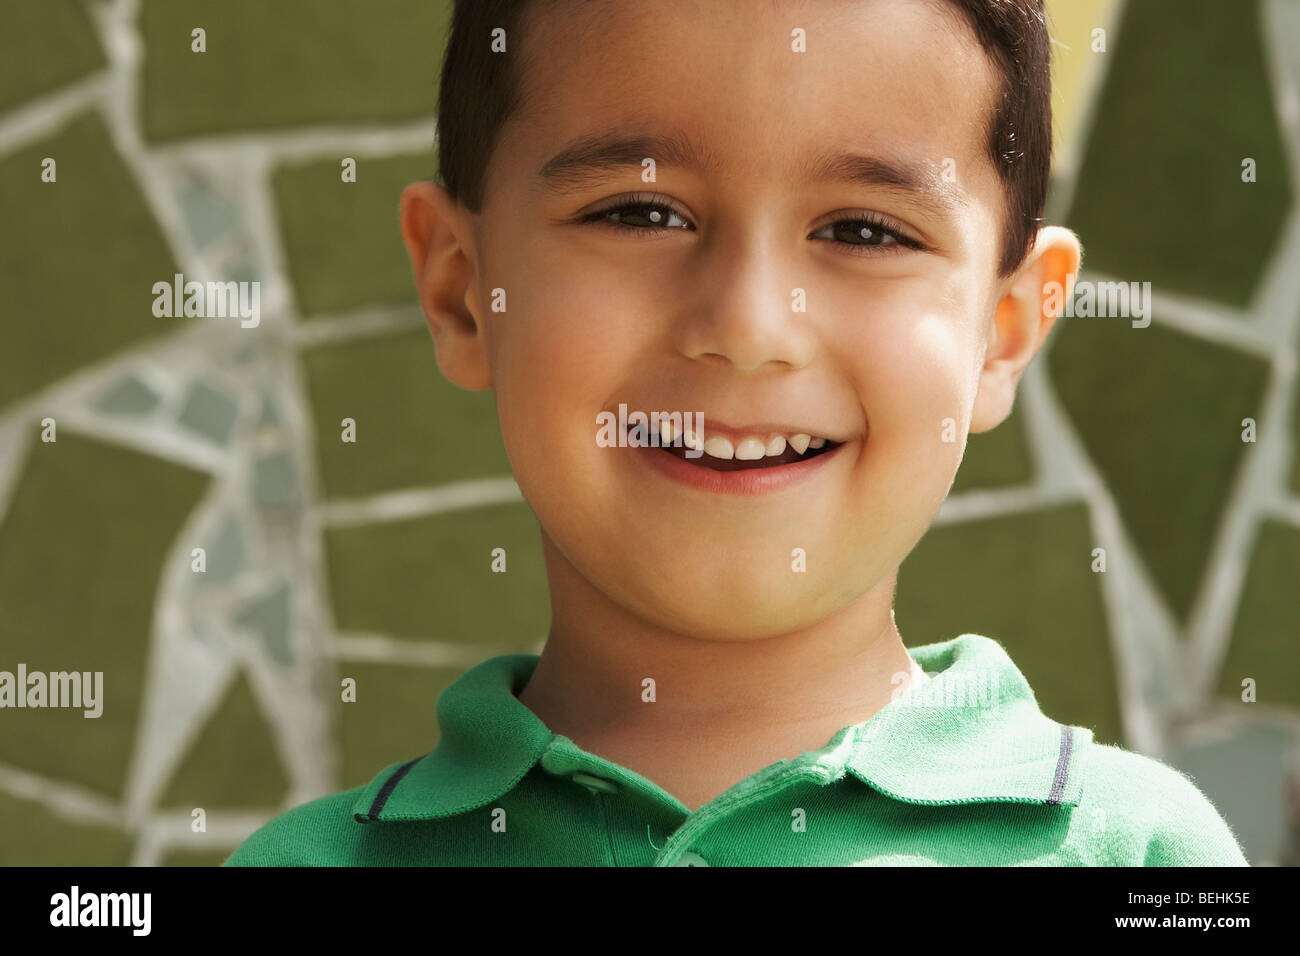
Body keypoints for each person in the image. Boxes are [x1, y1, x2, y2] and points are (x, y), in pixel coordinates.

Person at [225, 0, 1247, 866]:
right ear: (460, 291)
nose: (748, 326)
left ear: (1004, 331)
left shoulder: (1137, 851)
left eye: (863, 231)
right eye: (638, 212)